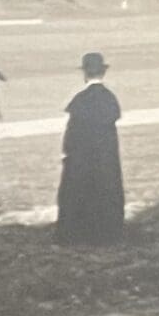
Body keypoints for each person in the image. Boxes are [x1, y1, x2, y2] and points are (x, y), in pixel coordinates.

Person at [56, 53, 125, 246]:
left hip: (81, 158)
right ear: (103, 72)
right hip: (106, 158)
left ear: (85, 74)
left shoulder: (80, 100)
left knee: (78, 192)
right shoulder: (110, 99)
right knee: (106, 191)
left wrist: (67, 152)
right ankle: (108, 234)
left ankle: (77, 235)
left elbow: (71, 134)